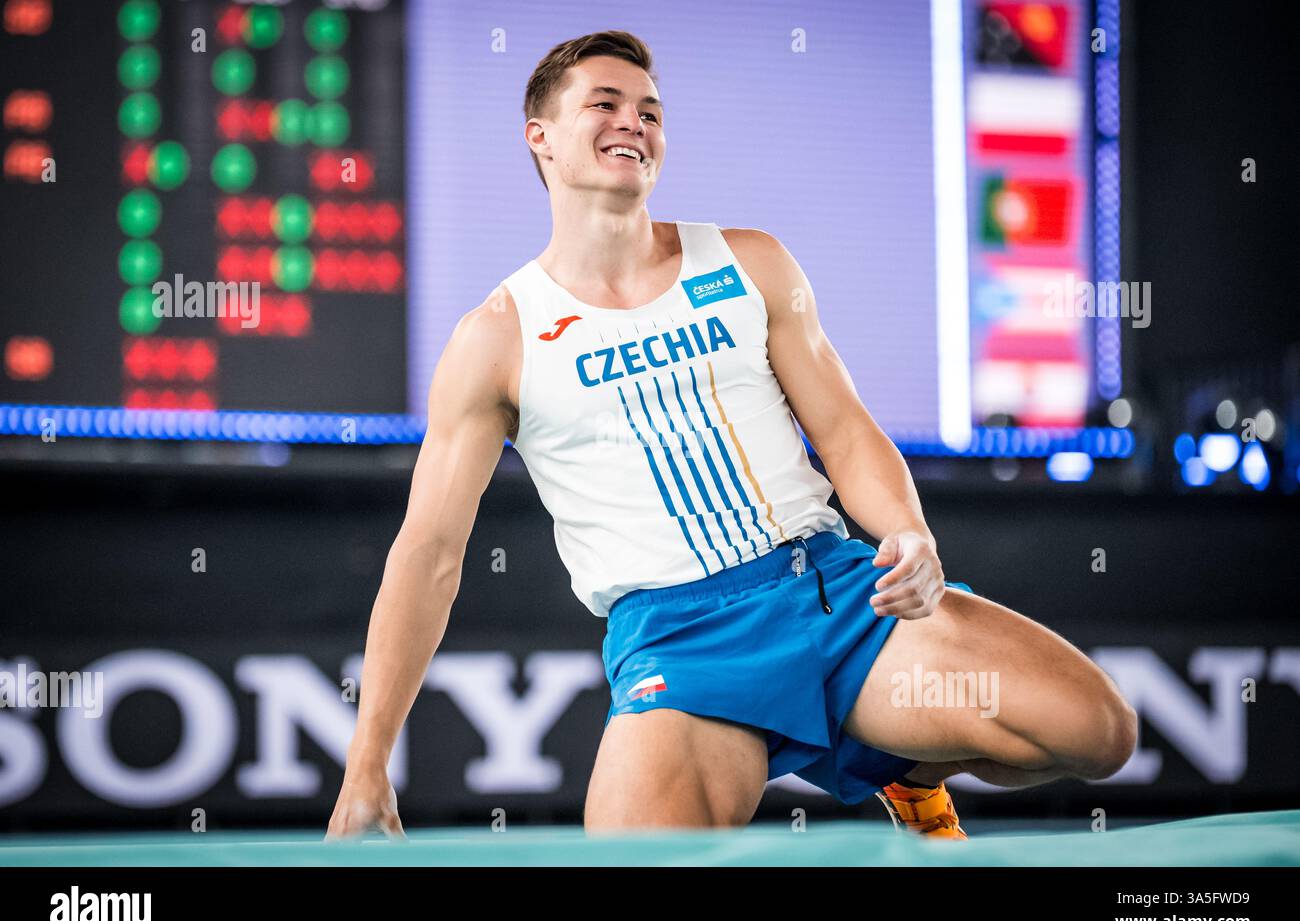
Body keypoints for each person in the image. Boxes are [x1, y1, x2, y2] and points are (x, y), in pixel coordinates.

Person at [326, 30, 1137, 841]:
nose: (632, 123)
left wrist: (909, 534)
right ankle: (889, 758)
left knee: (1098, 733)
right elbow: (428, 554)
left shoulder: (749, 262)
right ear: (538, 135)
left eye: (649, 110)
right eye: (603, 105)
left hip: (832, 595)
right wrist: (367, 765)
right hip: (682, 647)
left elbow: (846, 432)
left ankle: (907, 769)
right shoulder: (497, 336)